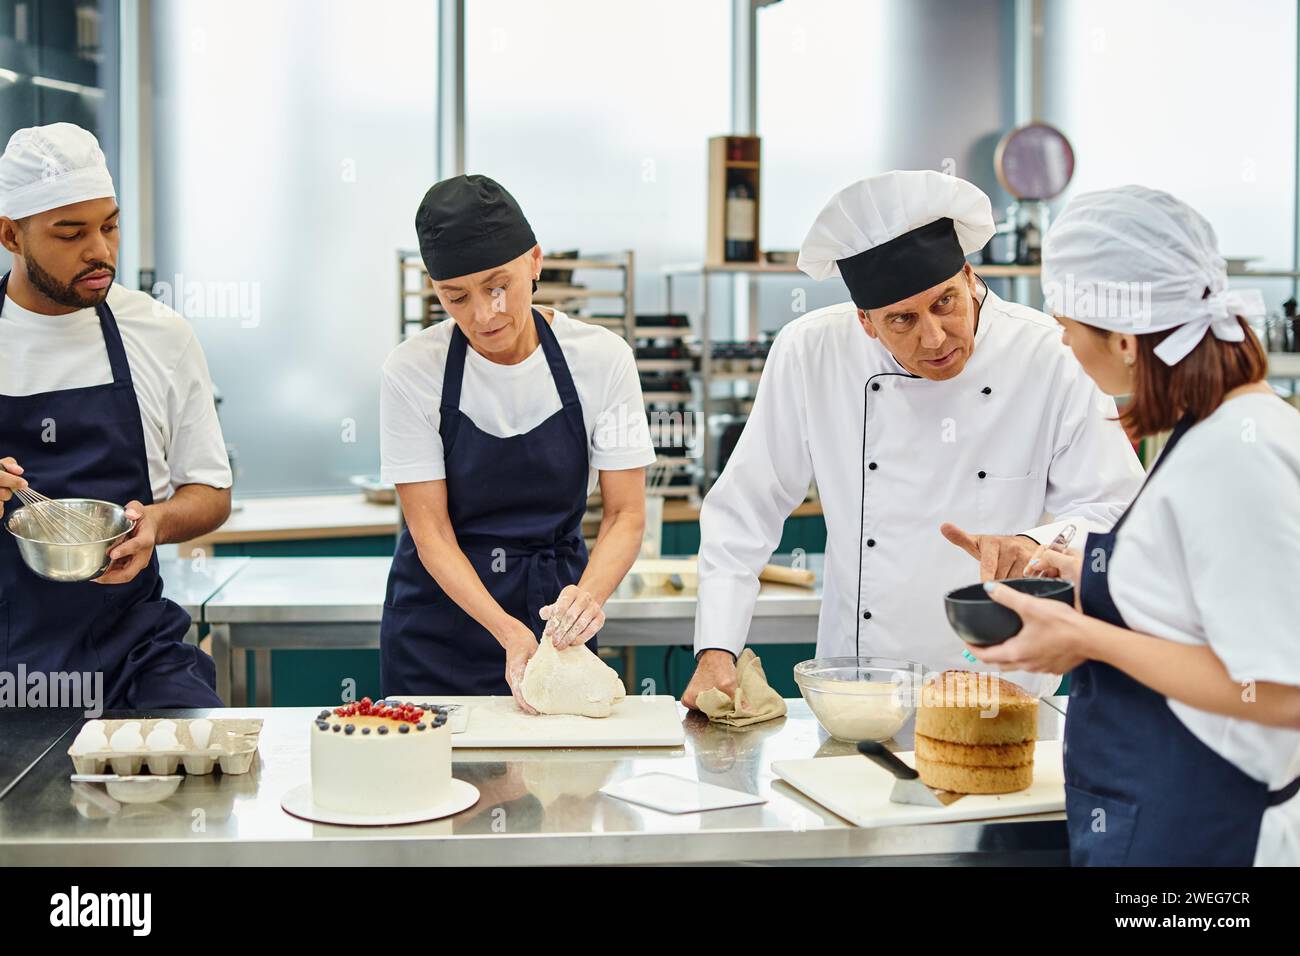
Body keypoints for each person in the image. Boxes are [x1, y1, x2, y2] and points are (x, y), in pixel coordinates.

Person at [683, 170, 1144, 707]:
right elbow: (745, 509)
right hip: (858, 690)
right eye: (902, 319)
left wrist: (1036, 543)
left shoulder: (1050, 353)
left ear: (970, 278)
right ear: (866, 321)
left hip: (1004, 684)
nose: (934, 336)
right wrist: (717, 649)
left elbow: (1116, 508)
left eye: (946, 302)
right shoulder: (811, 351)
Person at [969, 185, 1300, 866]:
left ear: (1124, 338)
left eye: (1067, 324)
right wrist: (1089, 568)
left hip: (1208, 836)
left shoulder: (1236, 453)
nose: (1061, 340)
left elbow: (1280, 691)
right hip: (1163, 820)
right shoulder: (1218, 428)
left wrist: (1085, 639)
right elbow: (1196, 601)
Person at [380, 175, 653, 710]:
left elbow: (625, 514)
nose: (484, 315)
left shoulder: (602, 359)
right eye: (454, 297)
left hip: (559, 618)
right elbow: (430, 529)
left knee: (559, 787)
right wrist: (506, 631)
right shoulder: (411, 371)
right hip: (438, 626)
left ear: (535, 261)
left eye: (496, 286)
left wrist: (586, 599)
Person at [0, 123, 231, 709]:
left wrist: (156, 522)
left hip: (133, 656)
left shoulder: (159, 334)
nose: (100, 251)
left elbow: (210, 492)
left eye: (109, 225)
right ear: (11, 235)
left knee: (198, 767)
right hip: (6, 661)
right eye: (71, 233)